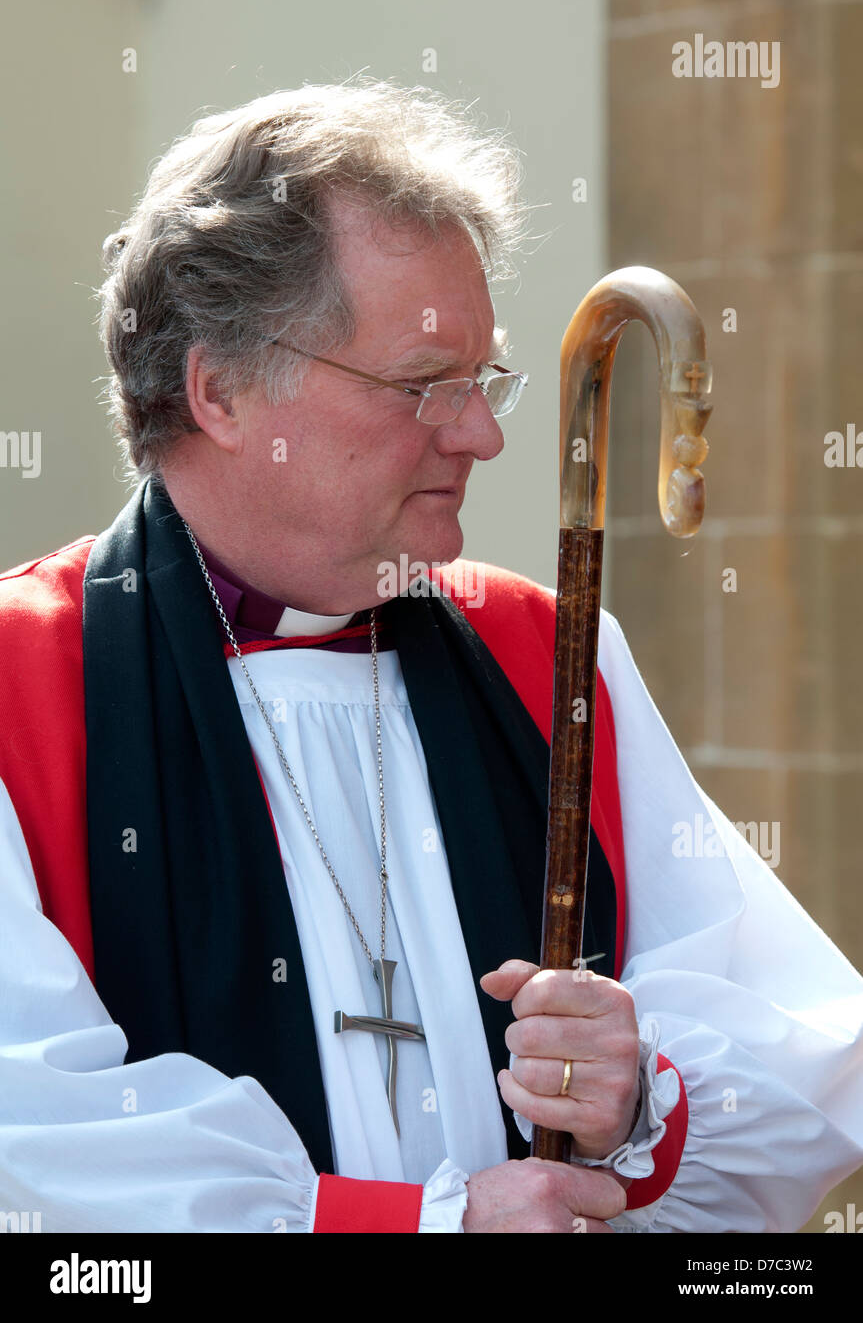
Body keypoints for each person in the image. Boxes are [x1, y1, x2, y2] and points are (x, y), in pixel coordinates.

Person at [0, 80, 861, 1235]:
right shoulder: (24, 684)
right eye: (421, 386)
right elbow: (41, 1140)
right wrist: (421, 1225)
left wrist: (639, 1102)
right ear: (218, 389)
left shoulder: (547, 654)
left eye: (481, 378)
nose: (482, 433)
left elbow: (805, 1059)